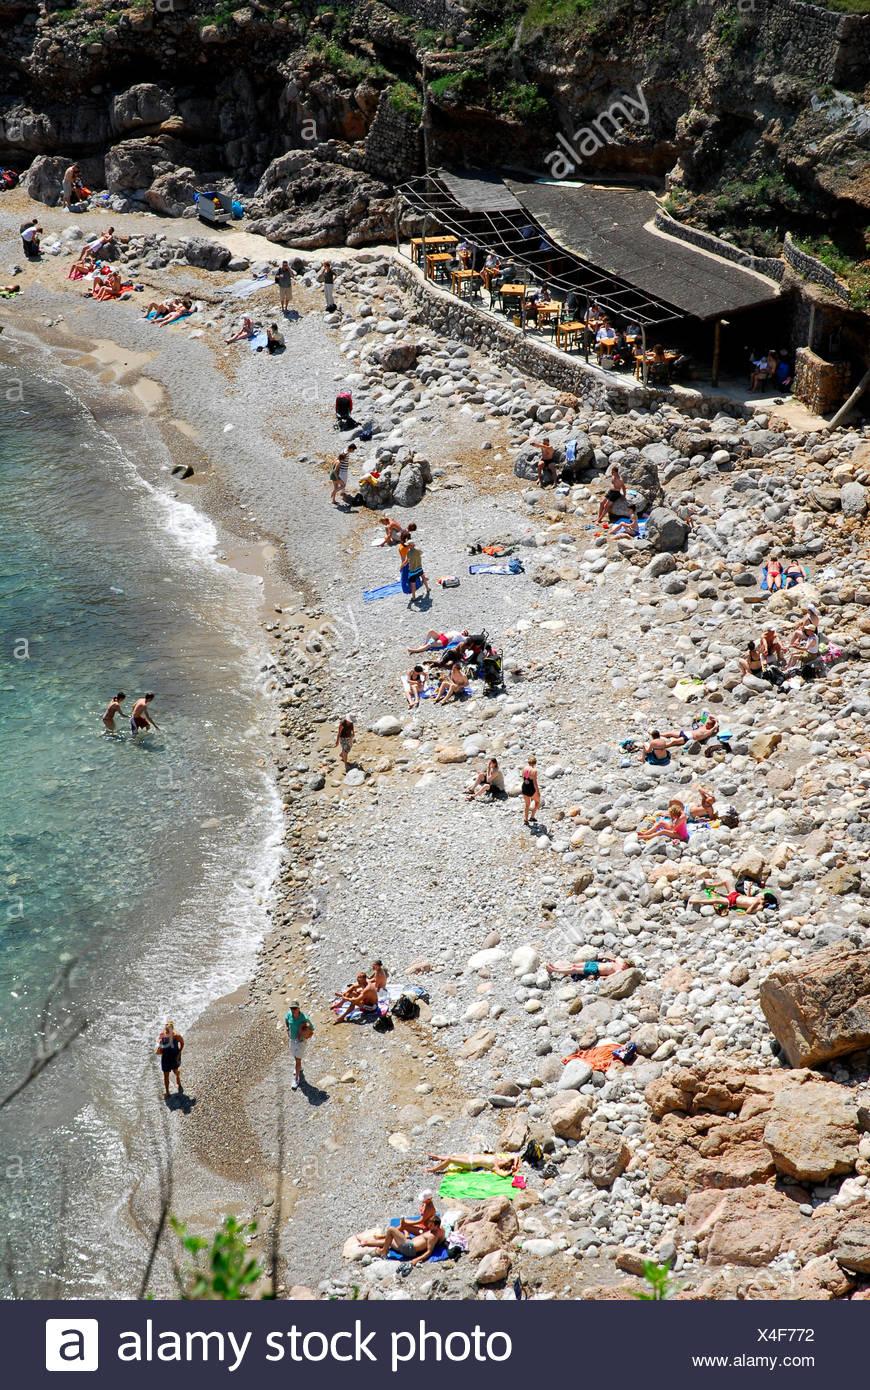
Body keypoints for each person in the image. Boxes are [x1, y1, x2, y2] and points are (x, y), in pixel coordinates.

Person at [360, 1217, 446, 1265]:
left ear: (436, 1225)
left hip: (409, 1248)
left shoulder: (432, 1237)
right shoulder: (440, 1230)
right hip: (409, 1245)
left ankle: (384, 1251)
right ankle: (366, 1243)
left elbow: (429, 1252)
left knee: (391, 1230)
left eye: (431, 1225)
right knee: (390, 1240)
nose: (429, 1226)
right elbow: (442, 1237)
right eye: (429, 1224)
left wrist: (415, 1260)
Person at [284, 999, 313, 1089]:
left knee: (298, 1060)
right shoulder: (289, 1014)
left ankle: (296, 1079)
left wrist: (308, 1036)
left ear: (298, 1008)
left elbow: (312, 1028)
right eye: (292, 1008)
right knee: (295, 1056)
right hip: (292, 1040)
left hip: (301, 1041)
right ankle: (299, 1068)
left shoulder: (304, 1017)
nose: (293, 1010)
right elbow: (286, 1020)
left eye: (295, 1008)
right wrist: (287, 1029)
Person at [425, 1152, 520, 1177]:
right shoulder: (499, 1158)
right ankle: (437, 1157)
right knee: (453, 1155)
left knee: (450, 1160)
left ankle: (433, 1170)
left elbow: (503, 1174)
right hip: (471, 1156)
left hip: (470, 1163)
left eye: (507, 1159)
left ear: (506, 1163)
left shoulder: (495, 1166)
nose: (506, 1157)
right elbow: (515, 1157)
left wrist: (511, 1170)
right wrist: (515, 1165)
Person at [156, 1020, 183, 1096]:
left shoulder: (177, 1036)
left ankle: (178, 1076)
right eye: (166, 1030)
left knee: (175, 1071)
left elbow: (182, 1043)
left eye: (169, 1030)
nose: (167, 1032)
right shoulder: (162, 1035)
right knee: (166, 1075)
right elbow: (160, 1043)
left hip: (174, 1057)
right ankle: (167, 1092)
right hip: (165, 1058)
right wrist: (159, 1048)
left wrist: (179, 1054)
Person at [545, 954, 629, 978]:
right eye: (625, 964)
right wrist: (604, 957)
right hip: (596, 964)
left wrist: (602, 978)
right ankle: (556, 968)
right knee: (575, 965)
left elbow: (610, 976)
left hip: (595, 970)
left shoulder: (619, 971)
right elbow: (613, 958)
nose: (624, 965)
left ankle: (553, 970)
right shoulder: (620, 962)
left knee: (574, 969)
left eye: (626, 965)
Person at [521, 755, 540, 825]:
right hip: (531, 789)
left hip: (525, 788)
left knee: (527, 804)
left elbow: (526, 778)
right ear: (535, 763)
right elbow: (535, 783)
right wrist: (538, 791)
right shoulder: (534, 770)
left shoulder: (525, 768)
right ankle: (532, 817)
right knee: (537, 802)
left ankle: (525, 819)